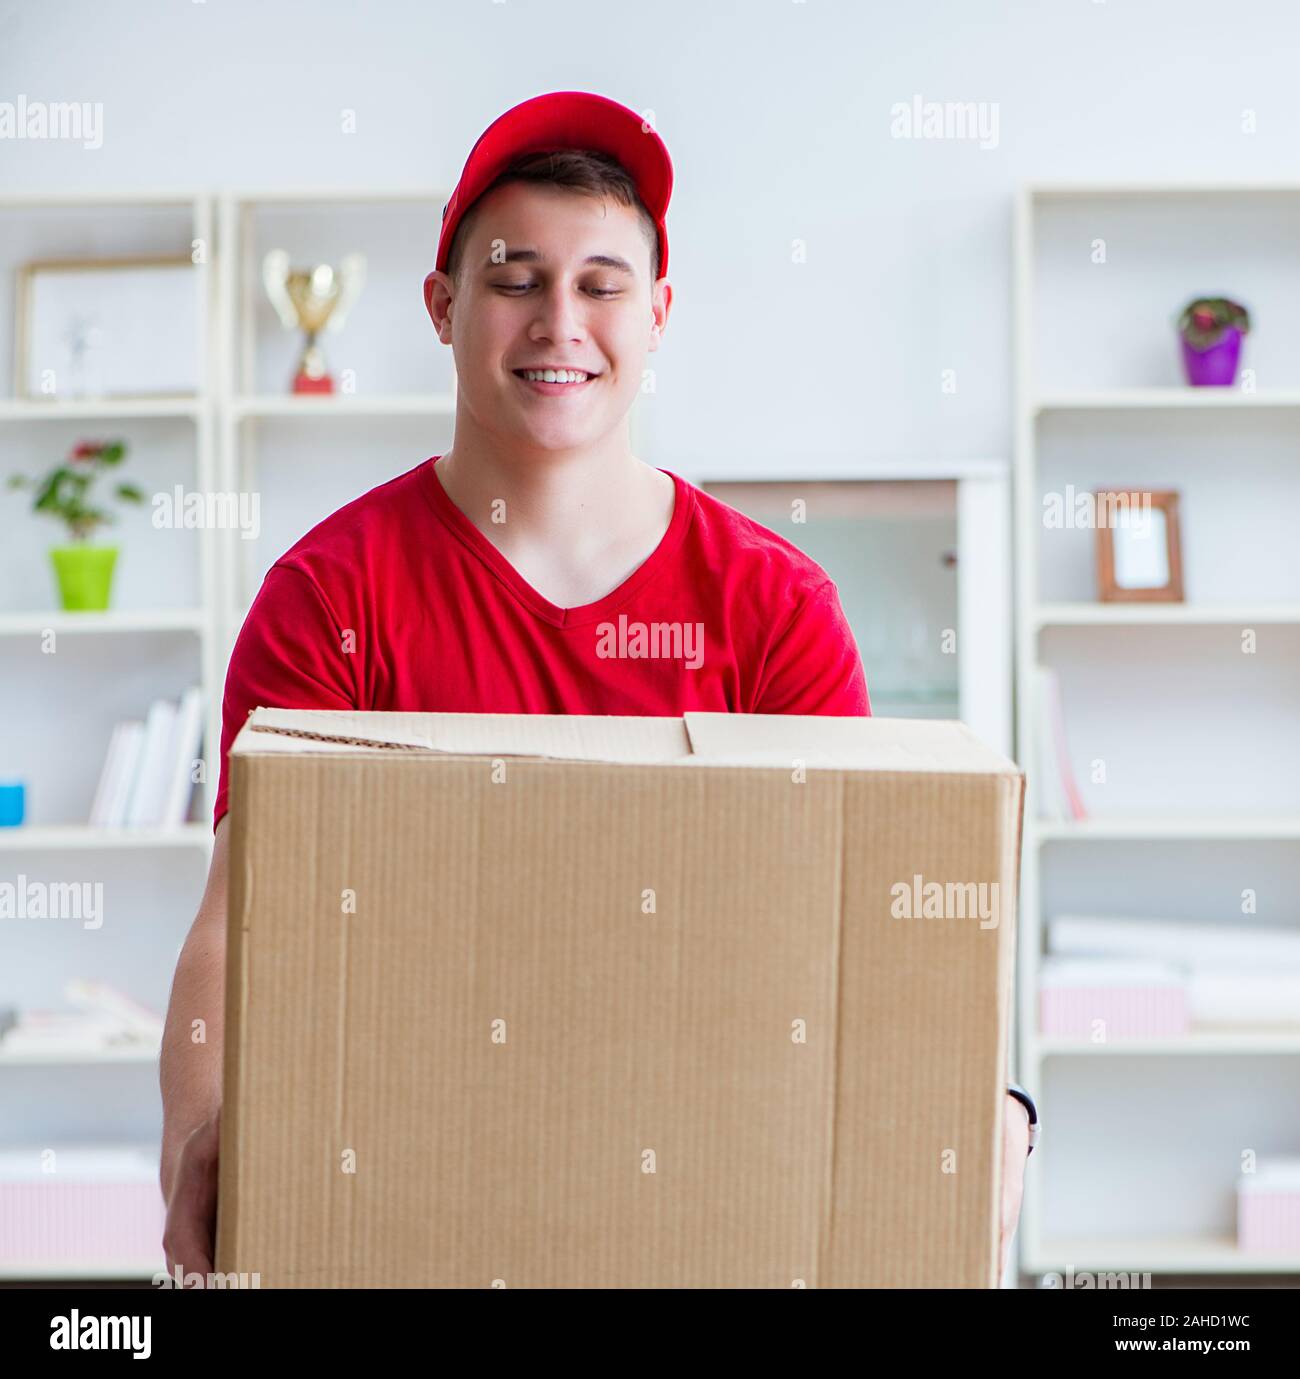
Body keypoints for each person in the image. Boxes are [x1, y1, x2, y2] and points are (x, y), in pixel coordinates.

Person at [160, 89, 1031, 1283]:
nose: (557, 321)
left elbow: (860, 920)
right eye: (515, 278)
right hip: (408, 1197)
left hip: (703, 1190)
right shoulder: (328, 594)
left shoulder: (771, 604)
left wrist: (992, 1101)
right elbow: (236, 919)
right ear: (443, 306)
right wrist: (200, 1139)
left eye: (602, 283)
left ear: (659, 312)